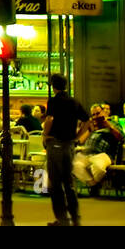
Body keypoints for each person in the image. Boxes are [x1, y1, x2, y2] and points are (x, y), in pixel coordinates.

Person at [42, 73, 88, 226]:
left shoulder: (54, 101)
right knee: (68, 182)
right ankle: (75, 218)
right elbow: (87, 121)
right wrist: (77, 136)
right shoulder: (74, 102)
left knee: (56, 183)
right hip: (69, 145)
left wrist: (45, 134)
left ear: (53, 86)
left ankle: (61, 219)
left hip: (55, 143)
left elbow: (49, 119)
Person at [74, 103, 124, 192]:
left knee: (99, 168)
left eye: (98, 113)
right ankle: (93, 184)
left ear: (104, 112)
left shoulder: (113, 122)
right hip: (87, 153)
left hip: (103, 154)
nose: (96, 116)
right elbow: (80, 141)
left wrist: (109, 126)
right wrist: (89, 130)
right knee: (71, 164)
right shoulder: (91, 124)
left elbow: (121, 138)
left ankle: (94, 185)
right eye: (93, 114)